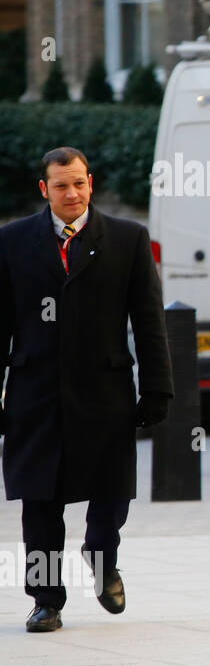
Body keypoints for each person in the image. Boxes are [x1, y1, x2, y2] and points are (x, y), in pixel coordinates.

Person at [0, 147, 172, 633]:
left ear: (90, 183)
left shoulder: (127, 239)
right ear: (44, 190)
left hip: (106, 389)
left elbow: (149, 319)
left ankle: (101, 559)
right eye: (60, 186)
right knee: (40, 504)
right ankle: (45, 601)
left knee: (112, 490)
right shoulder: (11, 242)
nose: (71, 193)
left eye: (78, 183)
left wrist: (157, 389)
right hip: (36, 393)